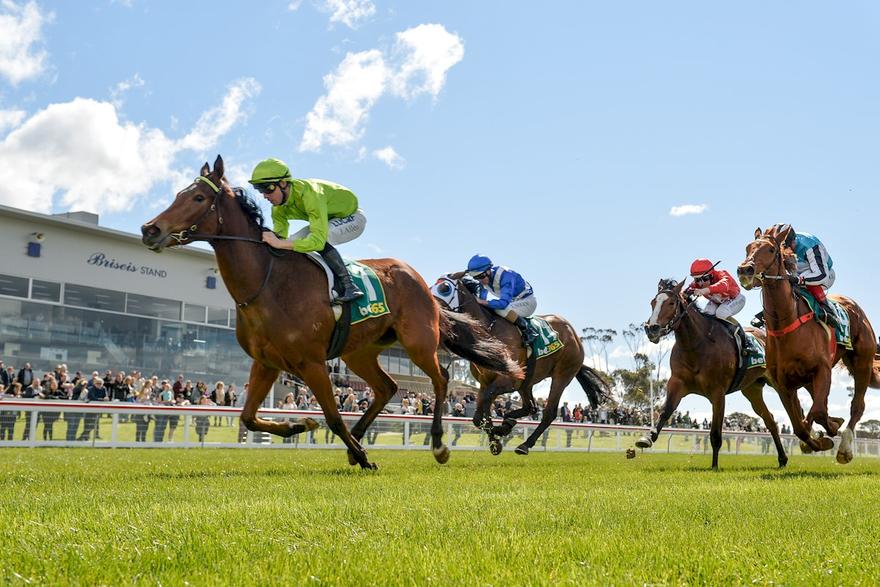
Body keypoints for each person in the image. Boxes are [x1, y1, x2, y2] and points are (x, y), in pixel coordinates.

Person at [249, 157, 367, 302]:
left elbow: (317, 241)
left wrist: (279, 243)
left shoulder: (311, 194)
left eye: (267, 188)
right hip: (329, 219)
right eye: (260, 189)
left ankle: (350, 286)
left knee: (318, 239)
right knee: (290, 242)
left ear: (283, 183)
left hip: (353, 217)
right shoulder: (277, 208)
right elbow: (281, 239)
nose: (265, 195)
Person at [465, 254, 538, 344]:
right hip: (513, 303)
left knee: (499, 309)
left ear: (488, 271)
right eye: (475, 277)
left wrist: (481, 301)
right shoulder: (484, 278)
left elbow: (503, 304)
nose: (479, 280)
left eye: (479, 276)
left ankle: (528, 330)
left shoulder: (506, 276)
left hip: (527, 302)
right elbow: (482, 301)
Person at [686, 258, 748, 356]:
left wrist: (704, 290)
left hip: (736, 299)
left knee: (721, 312)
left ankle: (745, 340)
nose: (701, 283)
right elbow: (685, 291)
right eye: (697, 280)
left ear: (711, 274)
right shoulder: (697, 284)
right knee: (706, 315)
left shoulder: (721, 274)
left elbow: (724, 285)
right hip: (718, 302)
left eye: (705, 278)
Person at [785, 227, 838, 328]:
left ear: (792, 240)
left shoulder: (809, 245)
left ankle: (827, 310)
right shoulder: (785, 248)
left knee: (803, 276)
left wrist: (798, 280)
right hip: (801, 275)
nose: (786, 252)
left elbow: (821, 275)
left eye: (786, 247)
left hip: (825, 276)